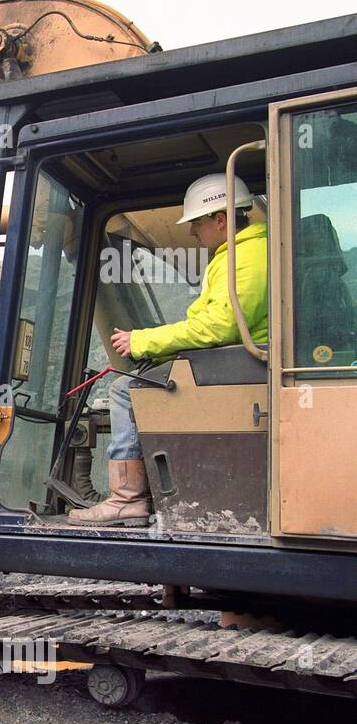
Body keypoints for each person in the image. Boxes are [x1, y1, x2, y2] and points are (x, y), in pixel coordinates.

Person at [69, 172, 269, 525]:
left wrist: (143, 340)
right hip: (238, 361)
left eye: (196, 223)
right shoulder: (241, 253)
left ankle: (127, 498)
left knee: (124, 391)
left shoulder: (247, 256)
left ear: (219, 220)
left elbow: (220, 326)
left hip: (240, 366)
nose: (192, 232)